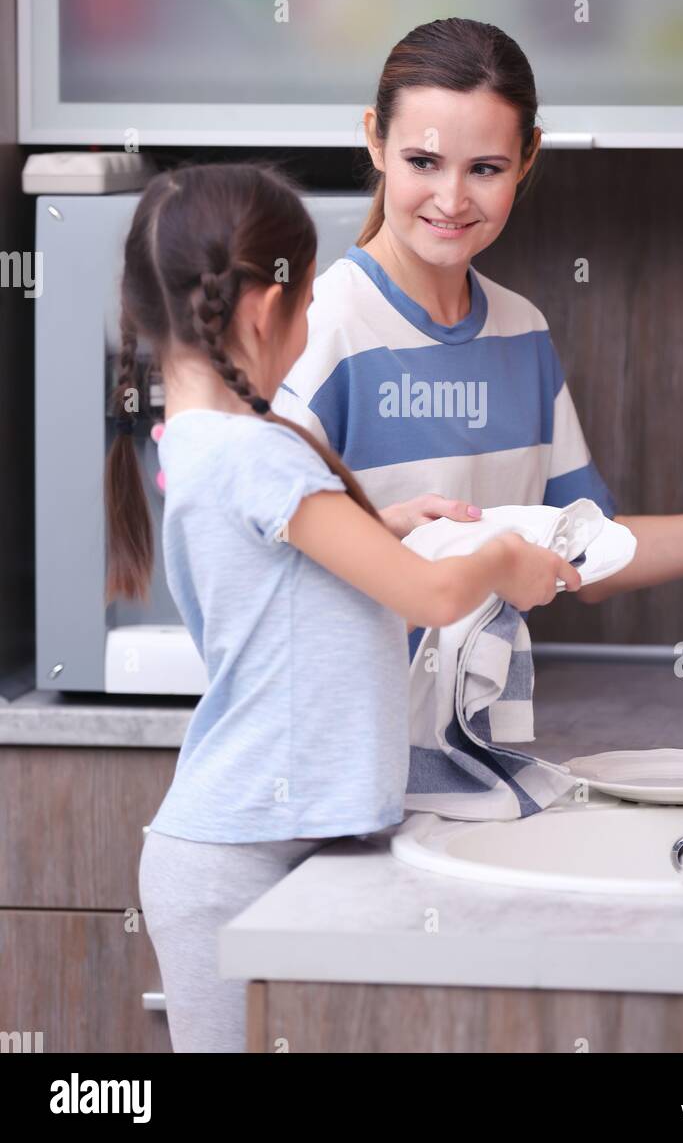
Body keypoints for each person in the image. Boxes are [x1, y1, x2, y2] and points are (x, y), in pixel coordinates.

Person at [108, 161, 579, 1051]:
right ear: (261, 309)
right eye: (309, 291)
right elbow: (438, 595)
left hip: (253, 843)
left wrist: (385, 526)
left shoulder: (207, 440)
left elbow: (285, 578)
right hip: (239, 857)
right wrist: (509, 559)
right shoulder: (259, 455)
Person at [274, 16, 683, 656]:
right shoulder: (319, 329)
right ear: (374, 140)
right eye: (424, 161)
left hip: (477, 736)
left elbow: (592, 555)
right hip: (350, 737)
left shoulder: (523, 333)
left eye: (485, 169)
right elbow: (264, 560)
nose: (451, 199)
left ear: (527, 157)